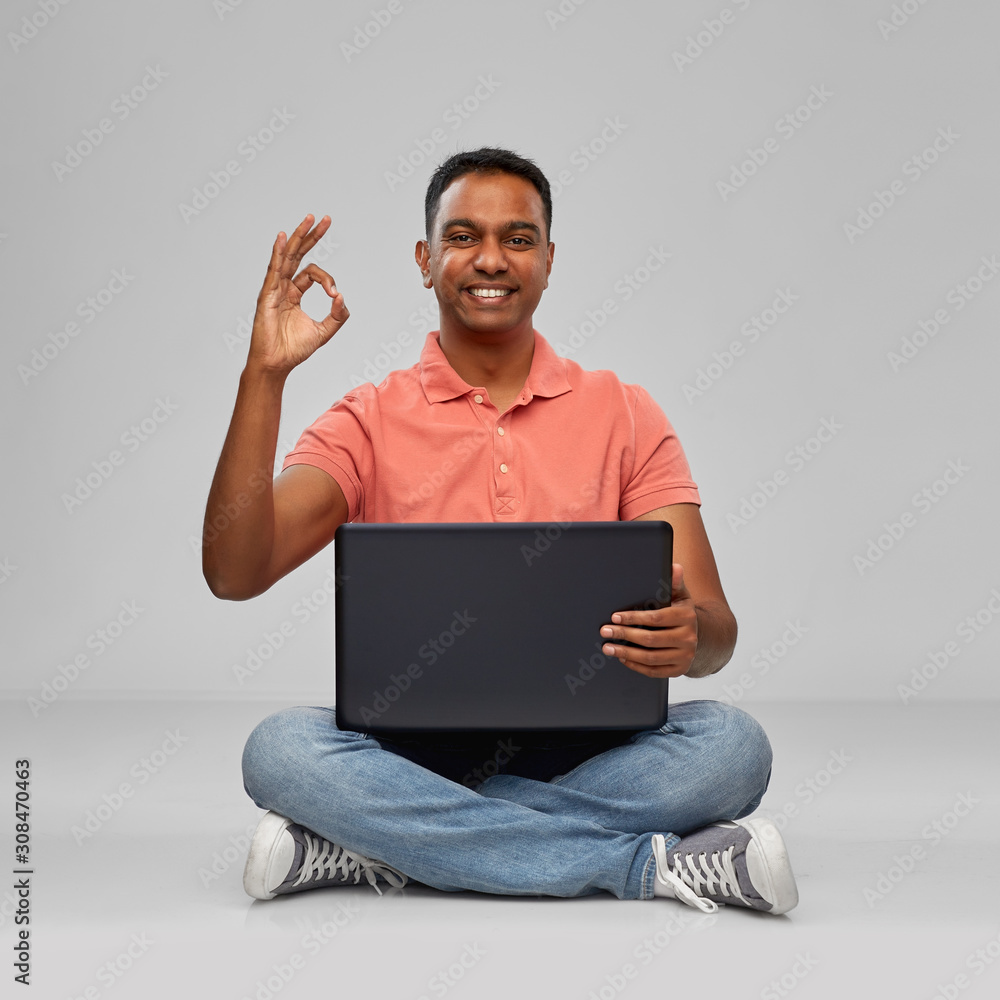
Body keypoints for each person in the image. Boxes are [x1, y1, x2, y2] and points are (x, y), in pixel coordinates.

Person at [202, 148, 798, 915]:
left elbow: (717, 634)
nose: (491, 258)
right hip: (408, 753)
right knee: (281, 750)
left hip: (588, 754)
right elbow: (234, 570)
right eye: (462, 237)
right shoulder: (367, 419)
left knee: (733, 747)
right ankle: (644, 868)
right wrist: (264, 374)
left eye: (518, 238)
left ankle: (375, 842)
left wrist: (693, 636)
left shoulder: (625, 411)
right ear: (425, 260)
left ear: (549, 261)